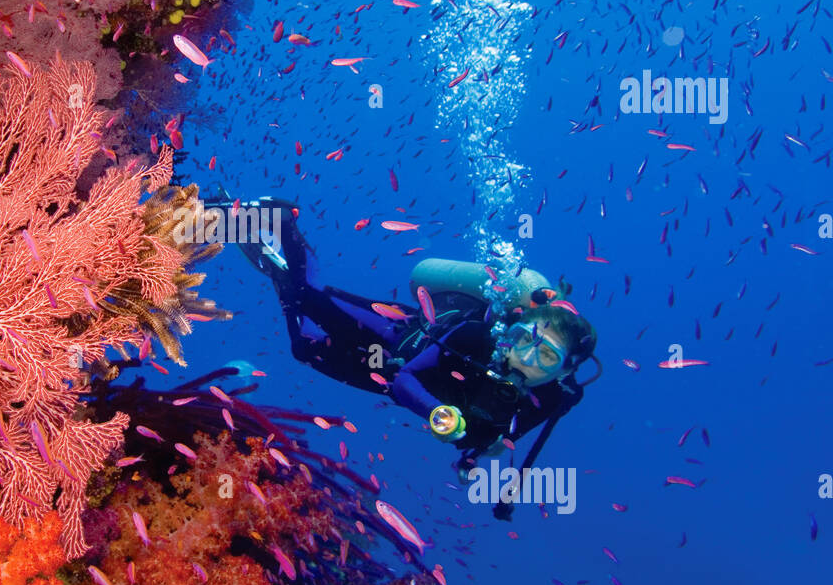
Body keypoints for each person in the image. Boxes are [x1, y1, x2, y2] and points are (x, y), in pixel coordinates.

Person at [224, 196, 600, 512]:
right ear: (510, 332)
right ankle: (284, 224)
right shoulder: (477, 336)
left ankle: (280, 272)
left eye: (547, 357)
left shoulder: (553, 398)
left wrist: (472, 456)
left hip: (383, 376)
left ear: (564, 371)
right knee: (309, 297)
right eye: (522, 339)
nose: (527, 358)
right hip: (396, 334)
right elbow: (406, 379)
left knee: (304, 348)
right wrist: (435, 412)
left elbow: (504, 437)